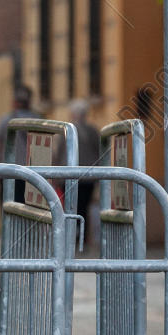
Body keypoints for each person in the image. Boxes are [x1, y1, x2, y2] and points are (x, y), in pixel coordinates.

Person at [68, 98, 101, 248]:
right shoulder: (93, 130)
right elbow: (99, 152)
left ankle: (74, 238)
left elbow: (60, 152)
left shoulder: (68, 129)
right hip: (89, 176)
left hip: (69, 176)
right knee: (84, 208)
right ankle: (83, 239)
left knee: (71, 207)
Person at [0, 84, 40, 163]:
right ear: (29, 102)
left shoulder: (6, 120)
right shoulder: (38, 121)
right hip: (32, 169)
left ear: (14, 102)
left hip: (10, 168)